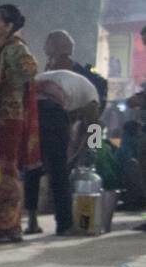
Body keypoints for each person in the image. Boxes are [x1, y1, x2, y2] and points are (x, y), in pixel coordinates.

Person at [25, 69, 101, 236]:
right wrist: (92, 149)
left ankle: (32, 222)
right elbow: (94, 126)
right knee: (59, 171)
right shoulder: (93, 96)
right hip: (51, 109)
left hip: (28, 108)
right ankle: (65, 225)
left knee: (32, 165)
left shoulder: (69, 83)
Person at [0, 4, 39, 242]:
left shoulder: (15, 48)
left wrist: (10, 81)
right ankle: (3, 224)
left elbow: (31, 70)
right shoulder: (1, 49)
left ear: (9, 26)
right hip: (0, 116)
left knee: (7, 170)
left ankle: (9, 225)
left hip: (9, 117)